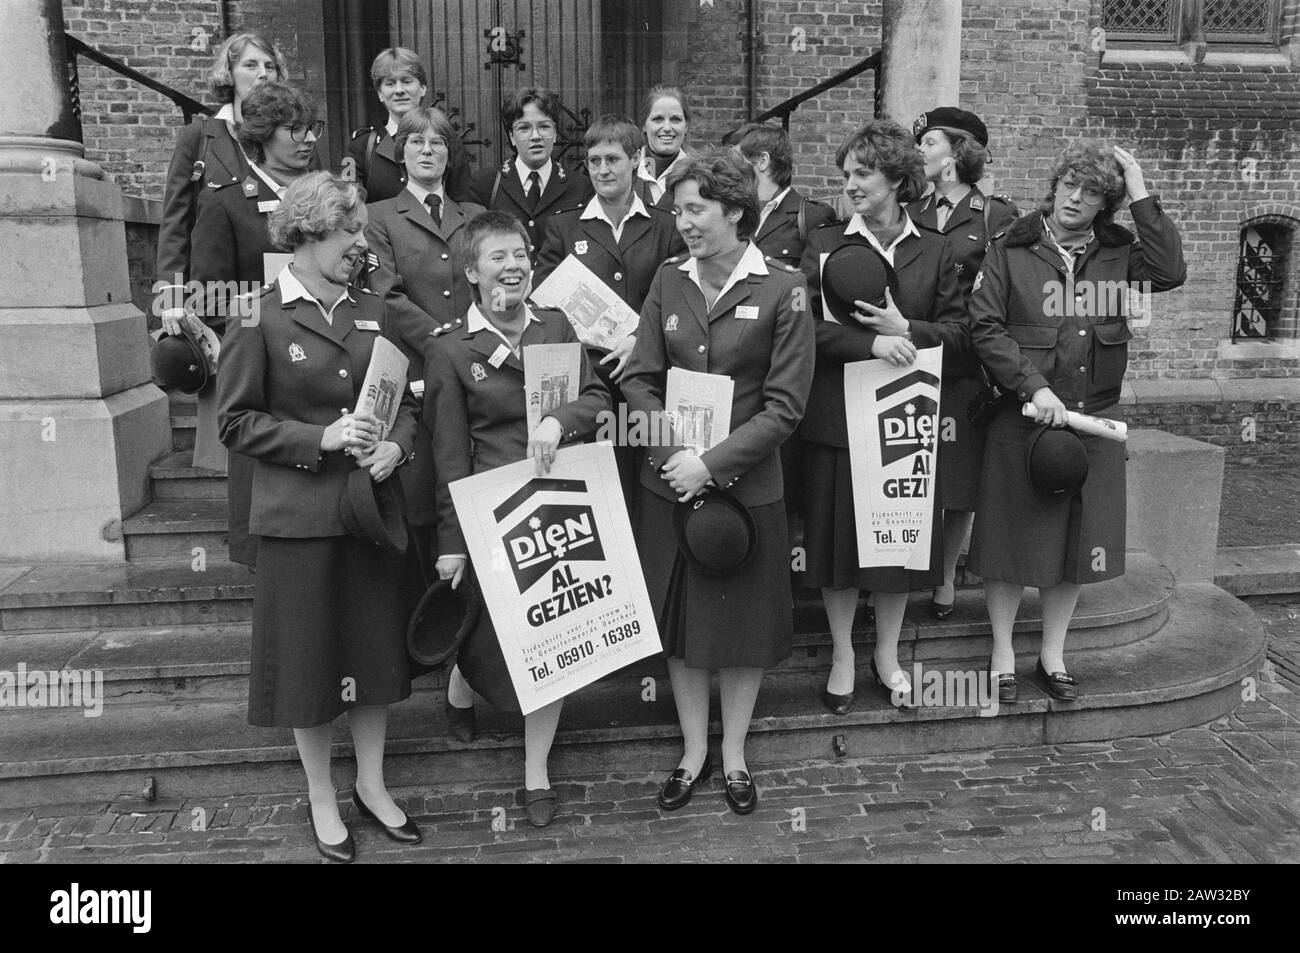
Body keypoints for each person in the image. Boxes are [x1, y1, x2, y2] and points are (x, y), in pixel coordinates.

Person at [218, 172, 422, 863]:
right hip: (298, 520)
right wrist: (319, 440)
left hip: (366, 511)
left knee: (371, 654)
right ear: (306, 234)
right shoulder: (258, 314)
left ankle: (371, 781)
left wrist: (398, 443)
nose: (358, 246)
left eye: (359, 232)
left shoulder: (375, 308)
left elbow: (411, 400)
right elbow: (236, 422)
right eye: (347, 233)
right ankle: (322, 795)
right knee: (309, 665)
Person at [620, 151, 814, 815]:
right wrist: (675, 453)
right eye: (679, 211)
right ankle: (692, 750)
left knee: (740, 628)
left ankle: (733, 752)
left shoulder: (784, 287)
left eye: (696, 209)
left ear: (736, 210)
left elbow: (786, 407)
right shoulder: (668, 279)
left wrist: (715, 463)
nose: (684, 223)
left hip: (745, 490)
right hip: (669, 485)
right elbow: (638, 377)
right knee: (684, 628)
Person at [967, 142, 1185, 703]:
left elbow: (1170, 269)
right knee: (1011, 540)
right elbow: (986, 326)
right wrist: (1031, 385)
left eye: (1090, 193)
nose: (1074, 198)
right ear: (1055, 183)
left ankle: (1052, 653)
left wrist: (1139, 186)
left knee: (1073, 542)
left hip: (1093, 417)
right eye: (1068, 184)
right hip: (1023, 415)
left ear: (1104, 204)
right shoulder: (1012, 246)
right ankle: (1000, 652)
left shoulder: (1119, 253)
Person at [426, 211, 611, 827]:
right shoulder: (450, 348)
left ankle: (536, 771)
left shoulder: (555, 326)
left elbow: (597, 397)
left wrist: (564, 418)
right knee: (486, 632)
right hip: (490, 516)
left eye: (521, 254)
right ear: (473, 271)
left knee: (550, 639)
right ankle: (460, 681)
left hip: (557, 506)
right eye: (498, 257)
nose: (513, 267)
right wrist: (451, 543)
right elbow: (449, 452)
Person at [798, 120, 966, 715]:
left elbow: (963, 332)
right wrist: (867, 345)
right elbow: (801, 329)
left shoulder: (937, 248)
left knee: (896, 542)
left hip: (905, 420)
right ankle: (843, 652)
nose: (851, 185)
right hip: (837, 420)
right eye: (846, 175)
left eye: (862, 174)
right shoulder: (820, 244)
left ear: (897, 179)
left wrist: (907, 332)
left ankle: (888, 654)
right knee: (840, 544)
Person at [190, 82, 320, 567]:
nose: (308, 139)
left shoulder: (331, 196)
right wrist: (264, 308)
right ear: (263, 136)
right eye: (295, 130)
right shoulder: (226, 203)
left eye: (312, 128)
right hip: (266, 370)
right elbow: (207, 297)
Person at [157, 33, 297, 473]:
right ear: (229, 75)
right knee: (231, 417)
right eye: (250, 66)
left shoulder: (286, 132)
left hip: (281, 285)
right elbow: (175, 222)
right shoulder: (200, 137)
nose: (261, 74)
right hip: (221, 290)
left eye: (268, 66)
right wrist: (171, 295)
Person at [535, 113, 686, 507]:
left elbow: (682, 299)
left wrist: (640, 339)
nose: (602, 170)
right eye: (594, 160)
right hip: (590, 386)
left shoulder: (666, 227)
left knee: (650, 490)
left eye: (613, 159)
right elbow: (545, 305)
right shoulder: (563, 229)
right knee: (599, 493)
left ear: (636, 159)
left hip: (651, 381)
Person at [364, 107, 486, 587]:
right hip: (417, 370)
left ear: (450, 153)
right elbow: (385, 294)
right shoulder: (378, 218)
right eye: (417, 143)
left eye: (437, 143)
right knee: (425, 490)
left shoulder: (474, 216)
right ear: (401, 154)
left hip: (475, 366)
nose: (428, 151)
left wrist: (467, 345)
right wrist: (440, 342)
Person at [907, 107, 1018, 620]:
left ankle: (946, 573)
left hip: (964, 368)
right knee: (911, 473)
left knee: (954, 482)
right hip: (911, 355)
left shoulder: (997, 215)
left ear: (957, 151)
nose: (921, 152)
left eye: (930, 142)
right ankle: (904, 570)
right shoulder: (910, 211)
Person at [470, 87, 593, 260]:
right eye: (524, 128)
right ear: (512, 136)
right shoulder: (485, 185)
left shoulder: (580, 187)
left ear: (555, 133)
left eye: (544, 126)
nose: (535, 136)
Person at [345, 47, 473, 204]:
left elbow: (463, 202)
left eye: (407, 81)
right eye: (390, 83)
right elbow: (349, 202)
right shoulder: (360, 147)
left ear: (422, 88)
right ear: (380, 93)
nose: (399, 90)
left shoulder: (448, 142)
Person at [727, 121, 837, 269]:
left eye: (737, 163)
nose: (730, 171)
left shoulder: (812, 216)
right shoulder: (732, 214)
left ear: (763, 161)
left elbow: (813, 287)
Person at [637, 86, 693, 209]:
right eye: (658, 119)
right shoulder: (628, 171)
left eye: (675, 119)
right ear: (644, 125)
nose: (667, 127)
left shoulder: (699, 175)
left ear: (686, 126)